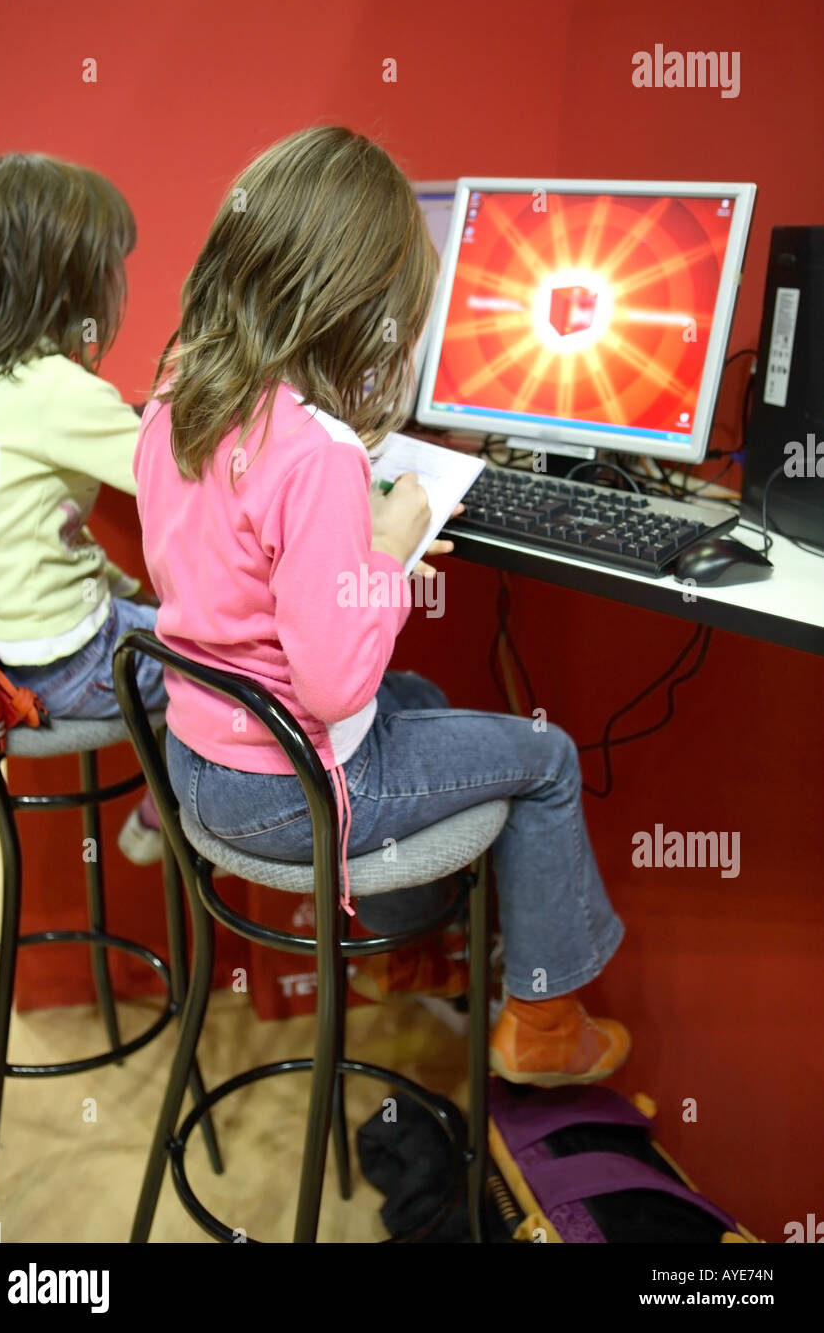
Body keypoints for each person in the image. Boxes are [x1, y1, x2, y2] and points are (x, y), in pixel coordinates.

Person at [135, 126, 630, 1085]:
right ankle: (544, 1022)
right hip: (289, 790)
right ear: (362, 306)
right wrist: (390, 547)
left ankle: (404, 954)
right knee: (545, 757)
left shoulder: (176, 399)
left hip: (199, 759)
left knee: (422, 698)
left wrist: (338, 539)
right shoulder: (320, 454)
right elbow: (329, 682)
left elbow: (237, 563)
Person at [0, 152, 163, 863]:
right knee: (237, 665)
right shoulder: (57, 390)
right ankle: (173, 814)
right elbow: (187, 480)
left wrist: (121, 586)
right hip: (62, 663)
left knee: (165, 625)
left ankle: (162, 805)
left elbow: (30, 534)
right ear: (71, 283)